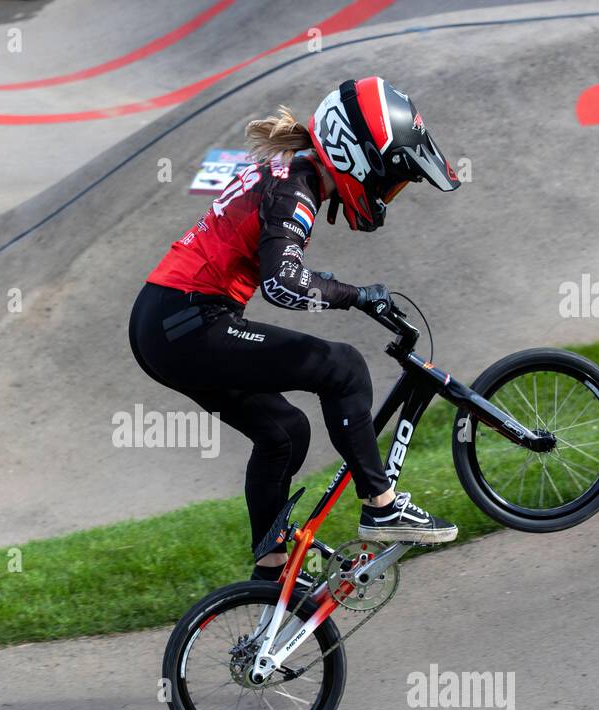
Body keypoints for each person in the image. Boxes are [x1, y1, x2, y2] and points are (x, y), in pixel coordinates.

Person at [129, 76, 462, 582]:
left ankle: (270, 573)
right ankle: (382, 504)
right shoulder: (294, 190)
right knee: (343, 367)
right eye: (388, 180)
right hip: (188, 321)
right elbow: (282, 285)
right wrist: (356, 296)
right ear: (355, 157)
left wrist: (352, 295)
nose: (385, 195)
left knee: (284, 433)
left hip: (166, 323)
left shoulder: (292, 175)